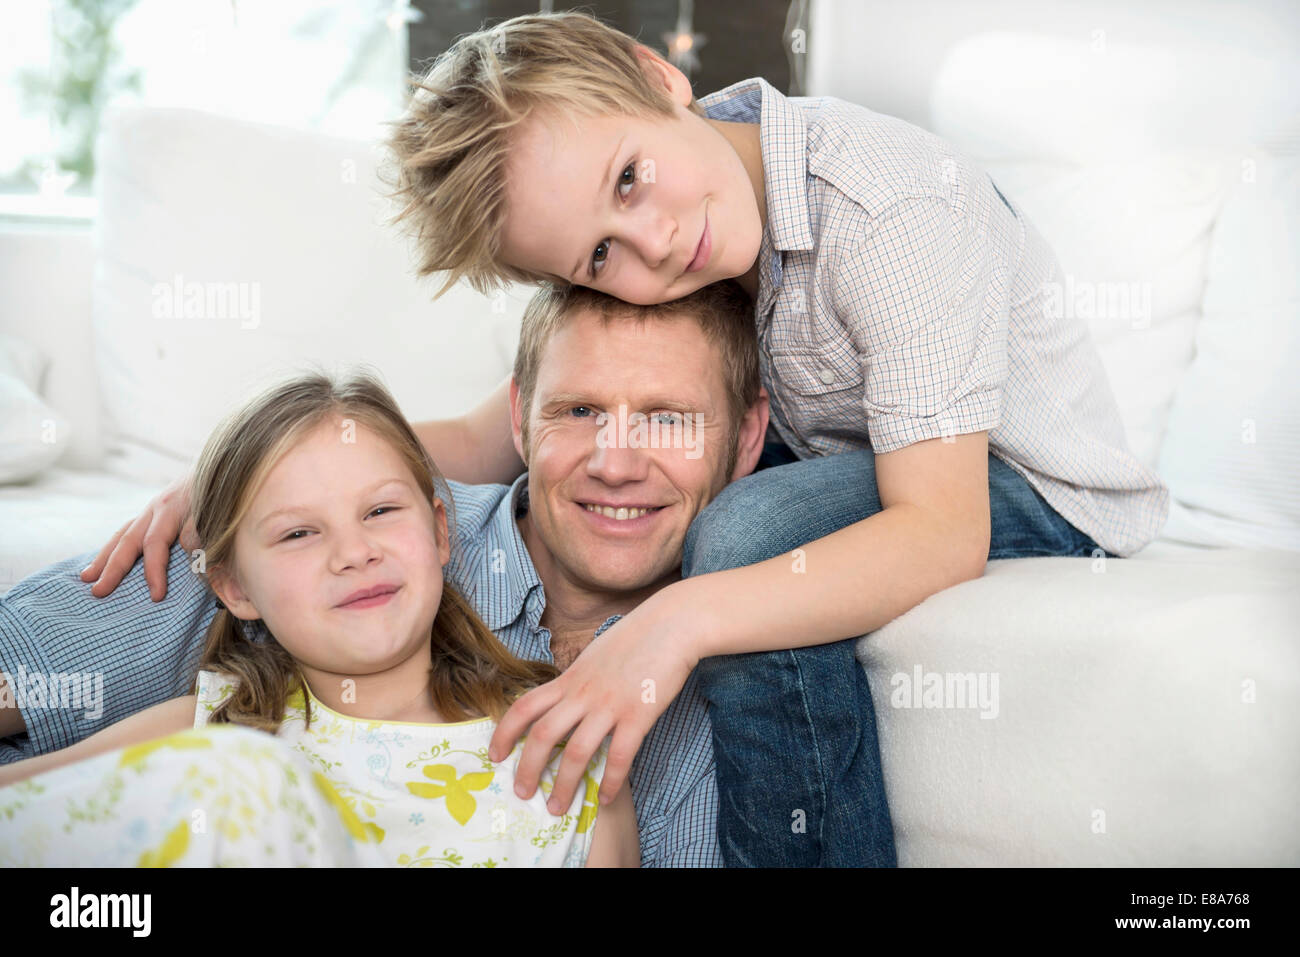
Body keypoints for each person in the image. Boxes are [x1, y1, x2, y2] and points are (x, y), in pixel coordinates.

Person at [373, 8, 1170, 868]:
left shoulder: (891, 206)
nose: (655, 241)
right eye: (600, 257)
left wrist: (676, 620)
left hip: (1017, 479)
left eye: (631, 178)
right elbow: (478, 437)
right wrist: (254, 471)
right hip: (852, 454)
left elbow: (943, 529)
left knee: (744, 536)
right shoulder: (694, 224)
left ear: (660, 76)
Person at [3, 279, 792, 867]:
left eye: (667, 417)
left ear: (750, 432)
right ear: (519, 418)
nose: (616, 464)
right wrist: (252, 485)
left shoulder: (671, 732)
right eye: (578, 411)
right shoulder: (233, 698)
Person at [0, 369, 639, 867]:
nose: (354, 552)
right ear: (234, 587)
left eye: (381, 512)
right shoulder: (207, 732)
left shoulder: (565, 755)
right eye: (300, 532)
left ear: (442, 533)